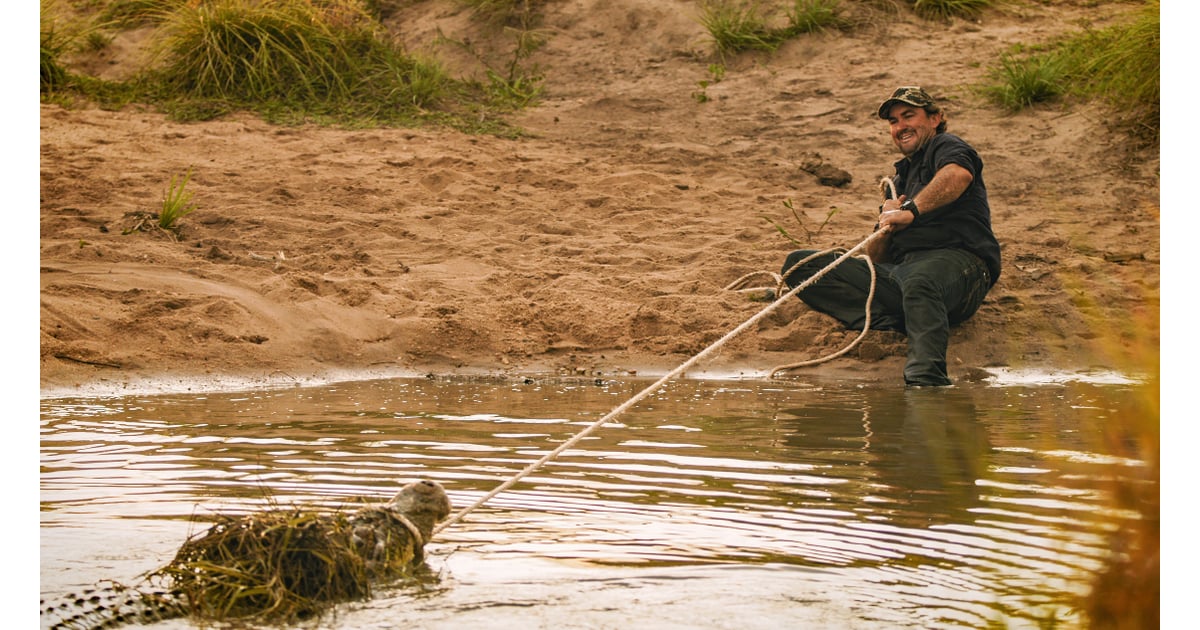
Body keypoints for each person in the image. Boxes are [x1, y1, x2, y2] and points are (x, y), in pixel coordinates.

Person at [780, 86, 1001, 386]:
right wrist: (886, 223)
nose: (900, 127)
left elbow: (958, 175)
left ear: (935, 118)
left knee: (921, 282)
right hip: (902, 274)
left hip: (961, 267)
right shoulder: (897, 180)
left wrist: (912, 210)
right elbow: (877, 258)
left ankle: (925, 383)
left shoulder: (946, 145)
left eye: (909, 116)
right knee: (802, 265)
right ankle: (902, 320)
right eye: (894, 121)